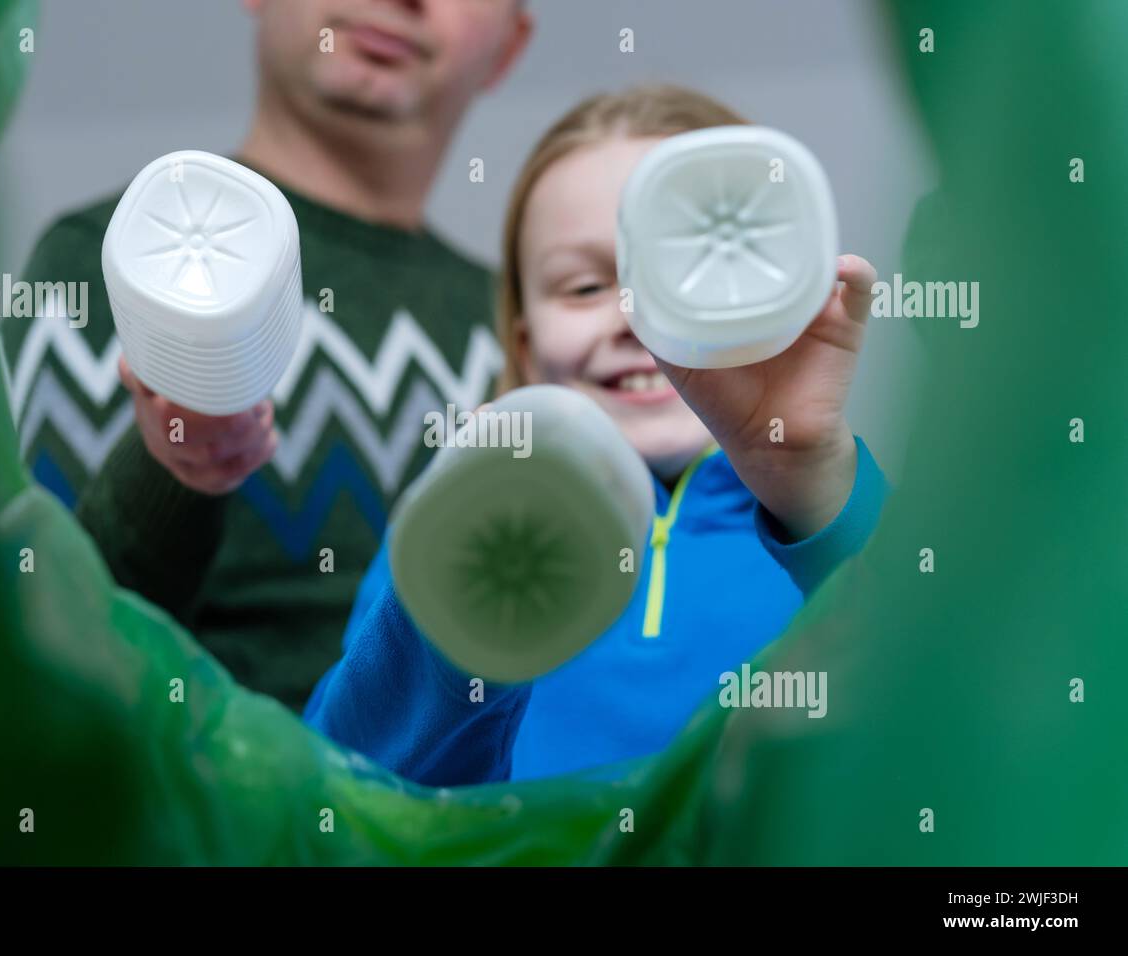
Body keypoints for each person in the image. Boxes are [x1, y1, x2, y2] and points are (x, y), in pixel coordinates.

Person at [303, 86, 889, 785]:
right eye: (584, 287)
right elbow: (346, 796)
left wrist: (814, 479)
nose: (637, 321)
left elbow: (969, 738)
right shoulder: (449, 534)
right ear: (523, 344)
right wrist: (462, 605)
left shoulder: (863, 531)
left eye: (685, 276)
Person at [0, 0, 533, 711]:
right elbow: (46, 667)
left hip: (488, 818)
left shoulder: (526, 327)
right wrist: (171, 467)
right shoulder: (112, 268)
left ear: (507, 48)